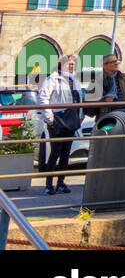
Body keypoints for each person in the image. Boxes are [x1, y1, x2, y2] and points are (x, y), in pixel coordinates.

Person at [36, 54, 81, 195]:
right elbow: (43, 97)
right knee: (55, 152)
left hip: (71, 120)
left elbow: (79, 100)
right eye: (69, 64)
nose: (71, 66)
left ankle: (61, 182)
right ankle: (49, 185)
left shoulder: (75, 80)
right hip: (58, 120)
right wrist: (49, 119)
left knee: (66, 153)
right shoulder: (52, 80)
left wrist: (80, 117)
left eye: (73, 64)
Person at [86, 55, 125, 121]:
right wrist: (104, 101)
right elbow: (88, 102)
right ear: (104, 65)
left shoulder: (124, 77)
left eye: (116, 61)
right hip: (106, 117)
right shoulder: (97, 80)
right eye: (112, 62)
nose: (116, 63)